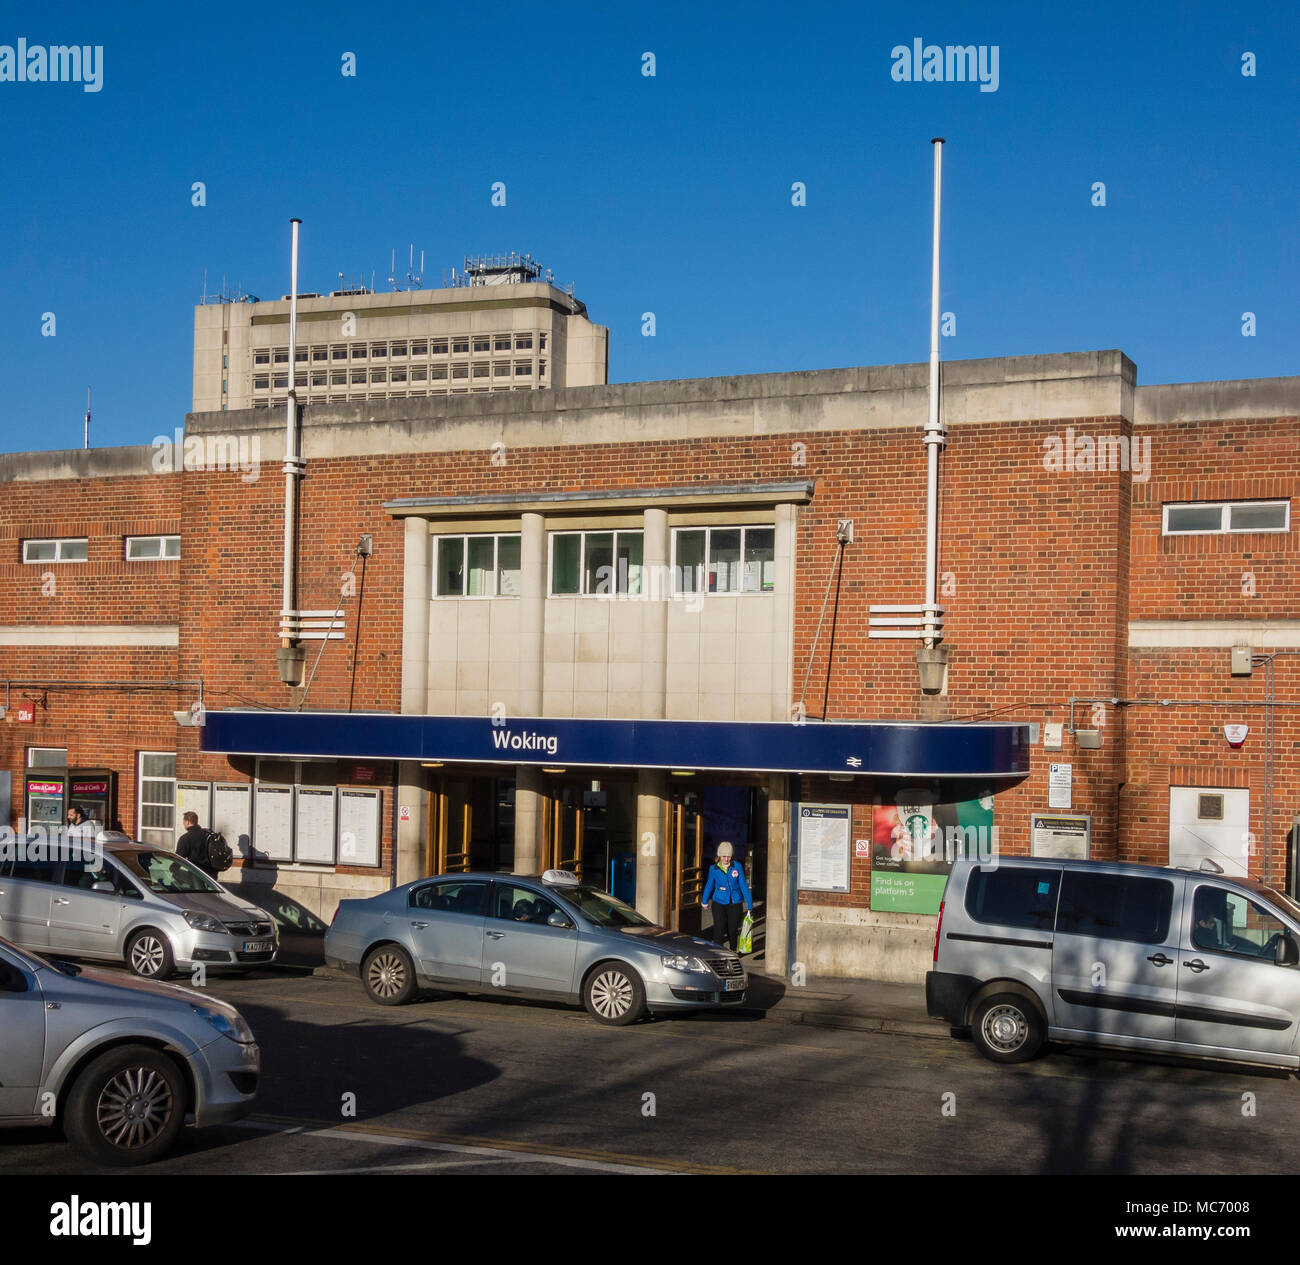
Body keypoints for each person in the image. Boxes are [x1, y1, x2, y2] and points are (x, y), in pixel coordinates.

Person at [701, 841, 753, 953]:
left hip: (735, 903)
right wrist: (704, 901)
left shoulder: (737, 866)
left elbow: (743, 885)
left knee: (732, 930)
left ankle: (733, 950)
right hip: (719, 903)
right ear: (719, 856)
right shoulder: (713, 869)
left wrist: (749, 904)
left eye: (728, 856)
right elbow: (709, 885)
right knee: (719, 930)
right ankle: (718, 953)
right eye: (724, 856)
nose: (726, 859)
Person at [175, 811, 217, 879]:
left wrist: (172, 869)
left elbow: (179, 858)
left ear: (187, 822)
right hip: (212, 876)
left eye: (183, 822)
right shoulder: (208, 835)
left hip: (196, 875)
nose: (183, 824)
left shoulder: (185, 838)